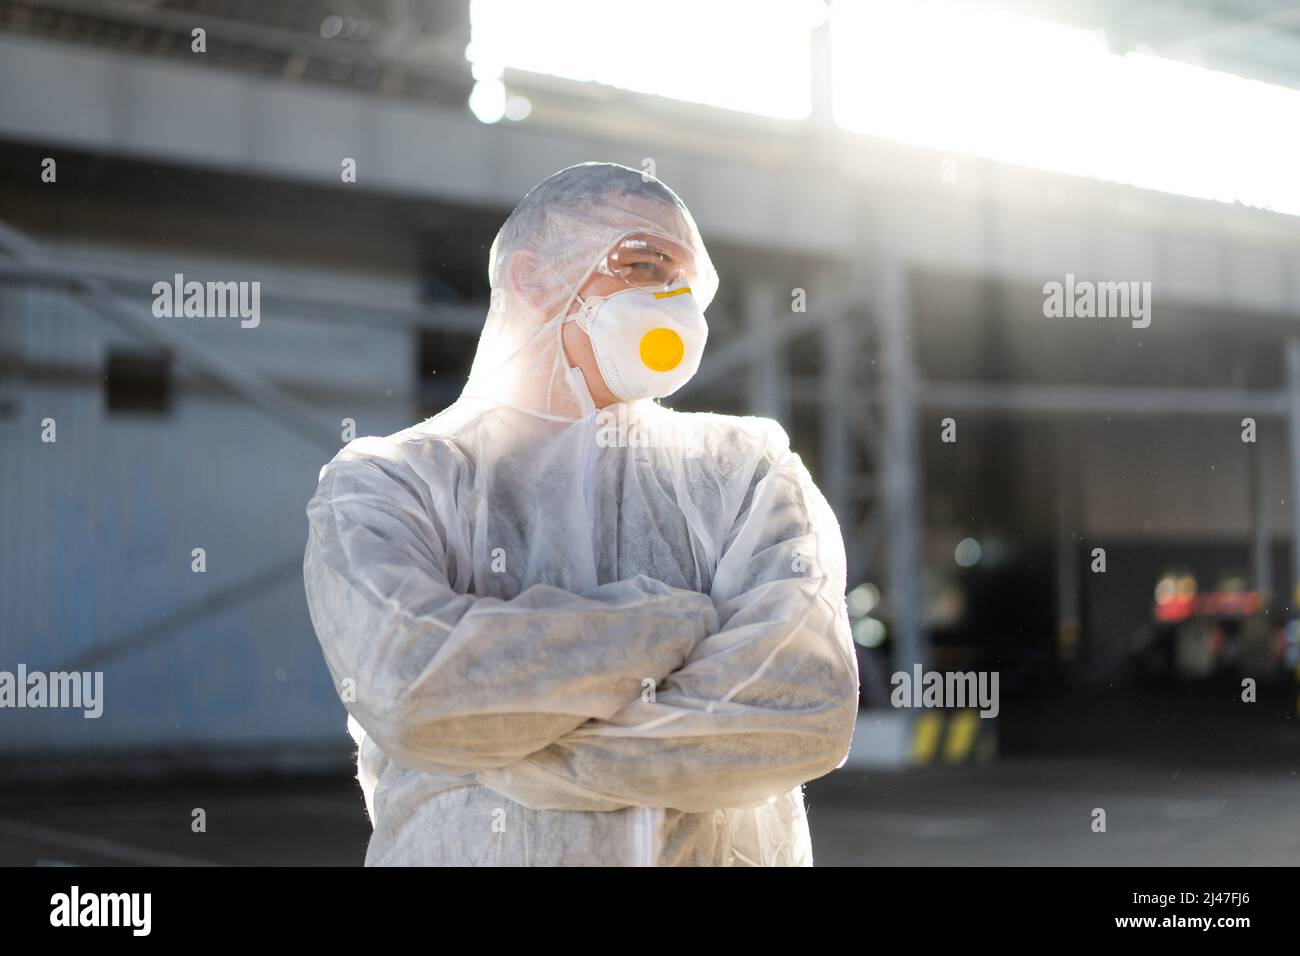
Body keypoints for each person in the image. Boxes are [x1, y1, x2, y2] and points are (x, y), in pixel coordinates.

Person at [302, 162, 860, 866]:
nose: (675, 301)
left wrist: (500, 751)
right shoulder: (389, 483)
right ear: (535, 277)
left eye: (687, 283)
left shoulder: (744, 469)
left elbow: (804, 708)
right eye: (646, 263)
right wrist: (676, 624)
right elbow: (413, 690)